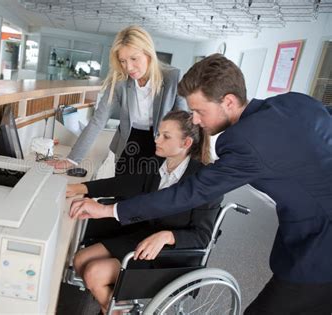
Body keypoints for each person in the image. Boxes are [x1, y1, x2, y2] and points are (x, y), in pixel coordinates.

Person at [69, 54, 332, 314]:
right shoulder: (294, 103)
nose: (195, 120)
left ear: (228, 101)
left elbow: (190, 193)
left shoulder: (245, 142)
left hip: (320, 249)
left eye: (199, 111)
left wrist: (108, 210)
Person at [67, 111, 222, 315]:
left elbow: (203, 237)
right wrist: (81, 188)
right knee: (80, 260)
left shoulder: (204, 181)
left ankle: (115, 310)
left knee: (94, 273)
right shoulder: (158, 164)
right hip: (144, 238)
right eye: (158, 133)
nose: (156, 139)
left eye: (166, 136)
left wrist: (167, 236)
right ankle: (117, 310)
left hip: (172, 254)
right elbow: (124, 184)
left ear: (186, 143)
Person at [47, 25, 186, 175]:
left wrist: (182, 160)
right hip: (128, 140)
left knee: (148, 193)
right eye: (123, 61)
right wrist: (72, 160)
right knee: (122, 190)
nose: (129, 67)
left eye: (134, 59)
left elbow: (184, 123)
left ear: (148, 54)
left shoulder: (172, 78)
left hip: (161, 142)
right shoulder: (119, 80)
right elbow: (98, 120)